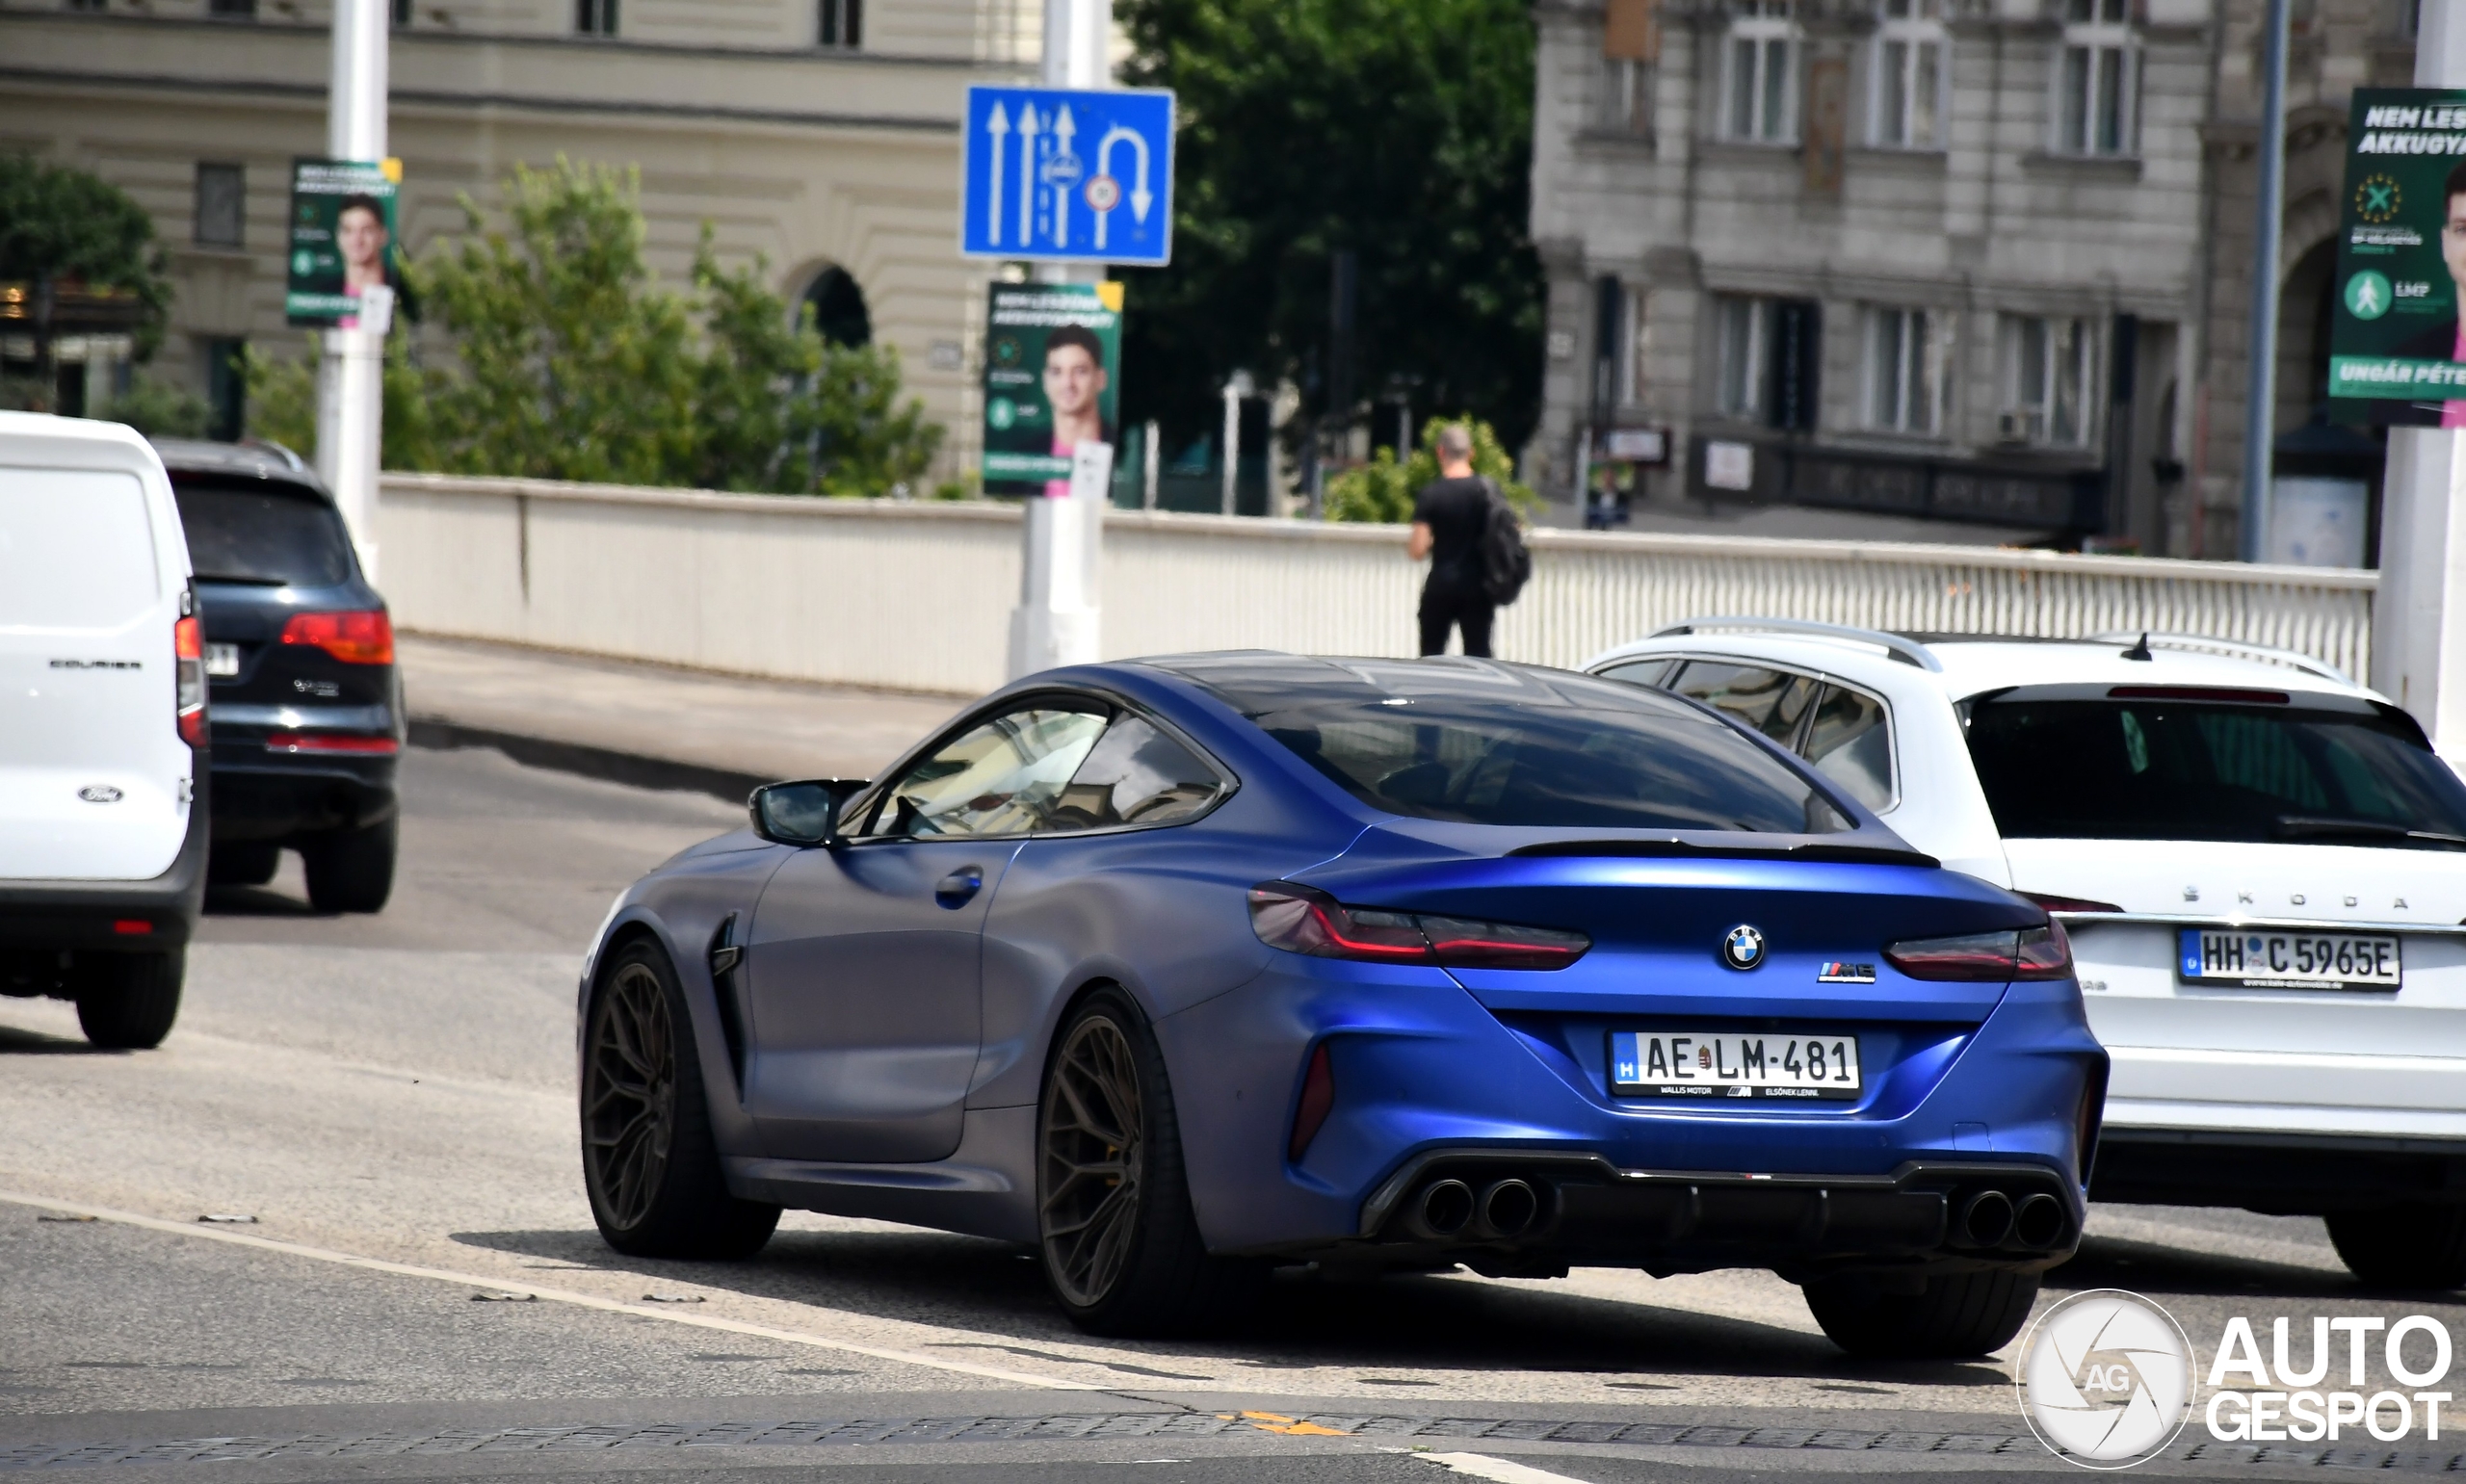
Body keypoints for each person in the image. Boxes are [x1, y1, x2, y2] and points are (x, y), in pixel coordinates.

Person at [1408, 423, 1497, 658]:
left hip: (1441, 585)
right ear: (1471, 453)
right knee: (1480, 656)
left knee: (1431, 655)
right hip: (1478, 587)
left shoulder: (1431, 494)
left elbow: (1417, 549)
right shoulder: (1488, 491)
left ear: (1440, 452)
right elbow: (1509, 530)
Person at [1040, 325, 1112, 497]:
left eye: (1080, 371)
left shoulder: (1118, 452)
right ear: (1045, 381)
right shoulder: (1024, 455)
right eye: (1056, 372)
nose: (1068, 384)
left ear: (1100, 379)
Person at [333, 193, 391, 328]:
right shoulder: (322, 294)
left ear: (382, 235)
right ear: (338, 237)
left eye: (366, 230)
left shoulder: (399, 292)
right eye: (348, 230)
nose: (357, 240)